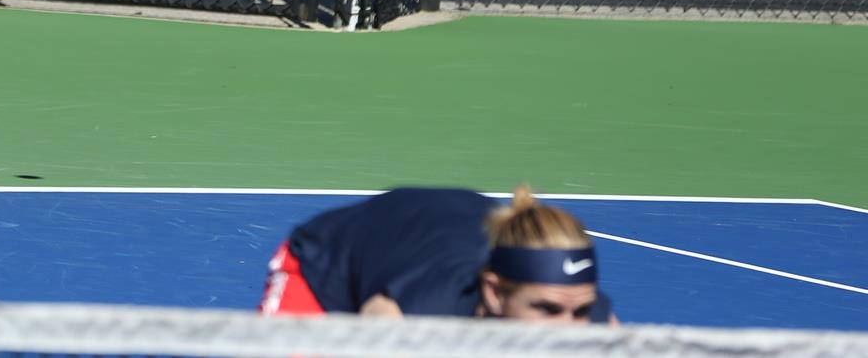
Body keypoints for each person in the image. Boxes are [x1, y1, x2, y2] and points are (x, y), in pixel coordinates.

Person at [260, 186, 616, 323]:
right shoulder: (421, 311)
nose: (568, 329)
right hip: (325, 269)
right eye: (546, 309)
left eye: (580, 310)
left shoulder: (587, 318)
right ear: (494, 292)